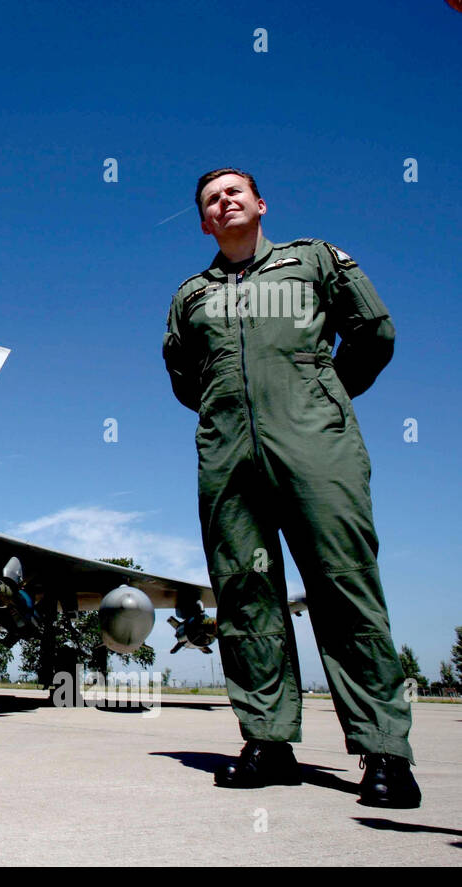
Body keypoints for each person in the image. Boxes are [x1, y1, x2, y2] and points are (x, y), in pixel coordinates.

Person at [162, 168, 420, 808]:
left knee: (343, 583)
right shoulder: (191, 295)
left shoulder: (313, 262)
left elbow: (374, 331)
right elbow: (181, 375)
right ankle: (268, 742)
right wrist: (233, 416)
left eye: (233, 192)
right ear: (203, 224)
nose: (224, 202)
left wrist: (320, 399)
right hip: (228, 458)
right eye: (210, 201)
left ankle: (385, 750)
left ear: (259, 203)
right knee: (245, 595)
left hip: (316, 447)